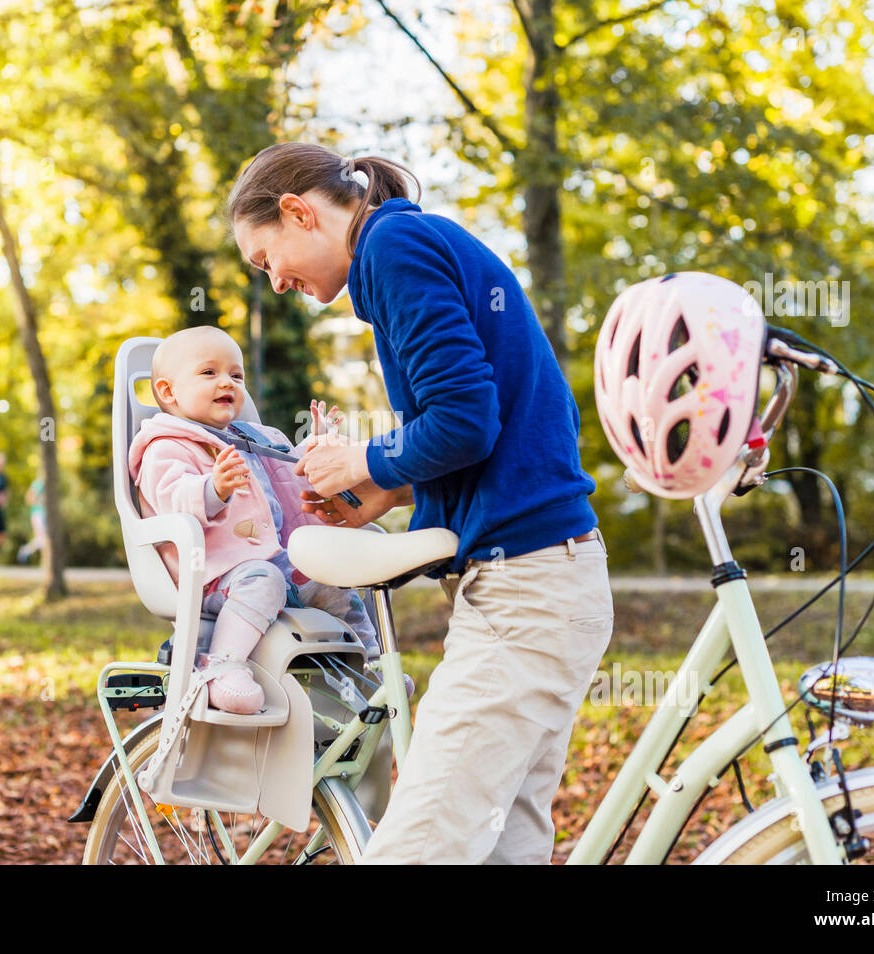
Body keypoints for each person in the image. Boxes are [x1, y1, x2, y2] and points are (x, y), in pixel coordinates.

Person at [228, 143, 613, 864]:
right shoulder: (405, 244)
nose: (273, 281)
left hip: (525, 587)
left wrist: (363, 457)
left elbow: (466, 418)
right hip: (555, 576)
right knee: (504, 842)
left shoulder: (393, 248)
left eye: (264, 257)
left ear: (297, 211)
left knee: (421, 845)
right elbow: (490, 429)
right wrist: (386, 489)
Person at [128, 326, 380, 714]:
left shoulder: (251, 438)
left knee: (338, 585)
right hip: (213, 574)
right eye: (209, 373)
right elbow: (173, 498)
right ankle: (222, 667)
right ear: (167, 392)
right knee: (262, 580)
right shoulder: (165, 446)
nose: (227, 381)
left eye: (236, 374)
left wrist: (313, 448)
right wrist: (213, 488)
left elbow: (284, 476)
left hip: (278, 563)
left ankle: (369, 672)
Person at [17, 475, 47, 564]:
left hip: (43, 514)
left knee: (43, 540)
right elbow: (29, 497)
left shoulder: (48, 484)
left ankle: (26, 551)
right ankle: (25, 551)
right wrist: (38, 502)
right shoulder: (39, 483)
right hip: (38, 514)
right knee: (41, 539)